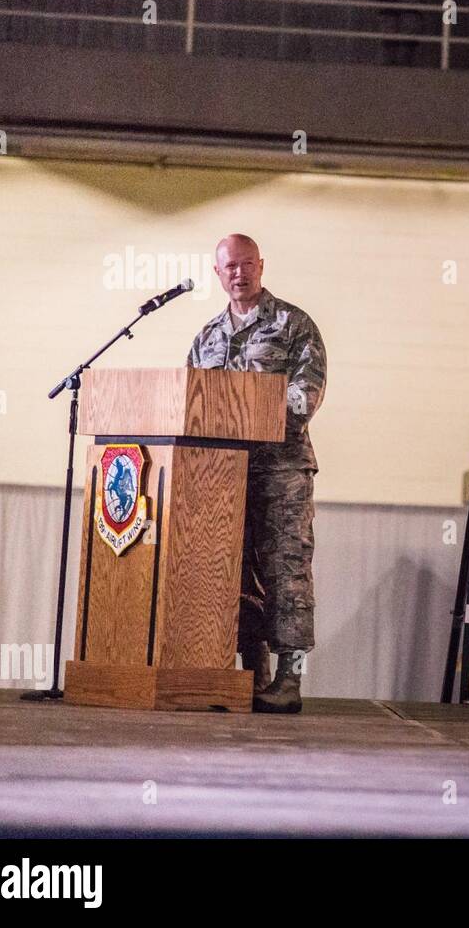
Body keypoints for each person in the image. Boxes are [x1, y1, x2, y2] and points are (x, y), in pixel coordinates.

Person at [187, 234, 328, 714]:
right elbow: (191, 406)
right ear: (218, 273)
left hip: (281, 471)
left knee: (285, 572)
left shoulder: (294, 325)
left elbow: (304, 397)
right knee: (233, 574)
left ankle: (290, 680)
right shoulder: (205, 338)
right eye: (230, 266)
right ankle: (252, 674)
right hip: (221, 477)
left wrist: (249, 407)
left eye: (247, 264)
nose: (239, 273)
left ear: (262, 266)